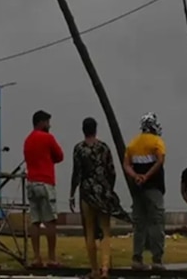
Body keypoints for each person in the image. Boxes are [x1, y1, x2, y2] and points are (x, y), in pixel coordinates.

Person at [69, 117, 130, 279]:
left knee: (89, 231)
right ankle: (105, 269)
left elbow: (76, 173)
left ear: (83, 130)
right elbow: (112, 171)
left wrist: (72, 193)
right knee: (105, 231)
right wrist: (108, 189)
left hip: (87, 192)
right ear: (95, 129)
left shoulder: (79, 149)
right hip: (103, 192)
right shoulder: (104, 148)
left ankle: (94, 269)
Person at [123, 112, 166, 271]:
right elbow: (160, 160)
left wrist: (136, 176)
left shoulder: (133, 143)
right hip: (154, 188)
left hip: (137, 189)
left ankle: (137, 258)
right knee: (156, 223)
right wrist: (147, 176)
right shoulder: (157, 141)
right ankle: (157, 260)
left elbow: (126, 164)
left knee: (139, 224)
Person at [23, 109, 64, 268]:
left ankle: (36, 258)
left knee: (35, 221)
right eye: (47, 122)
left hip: (31, 182)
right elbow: (59, 156)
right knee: (50, 221)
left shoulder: (28, 140)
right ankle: (52, 258)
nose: (49, 125)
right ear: (41, 122)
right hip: (45, 182)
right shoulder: (48, 138)